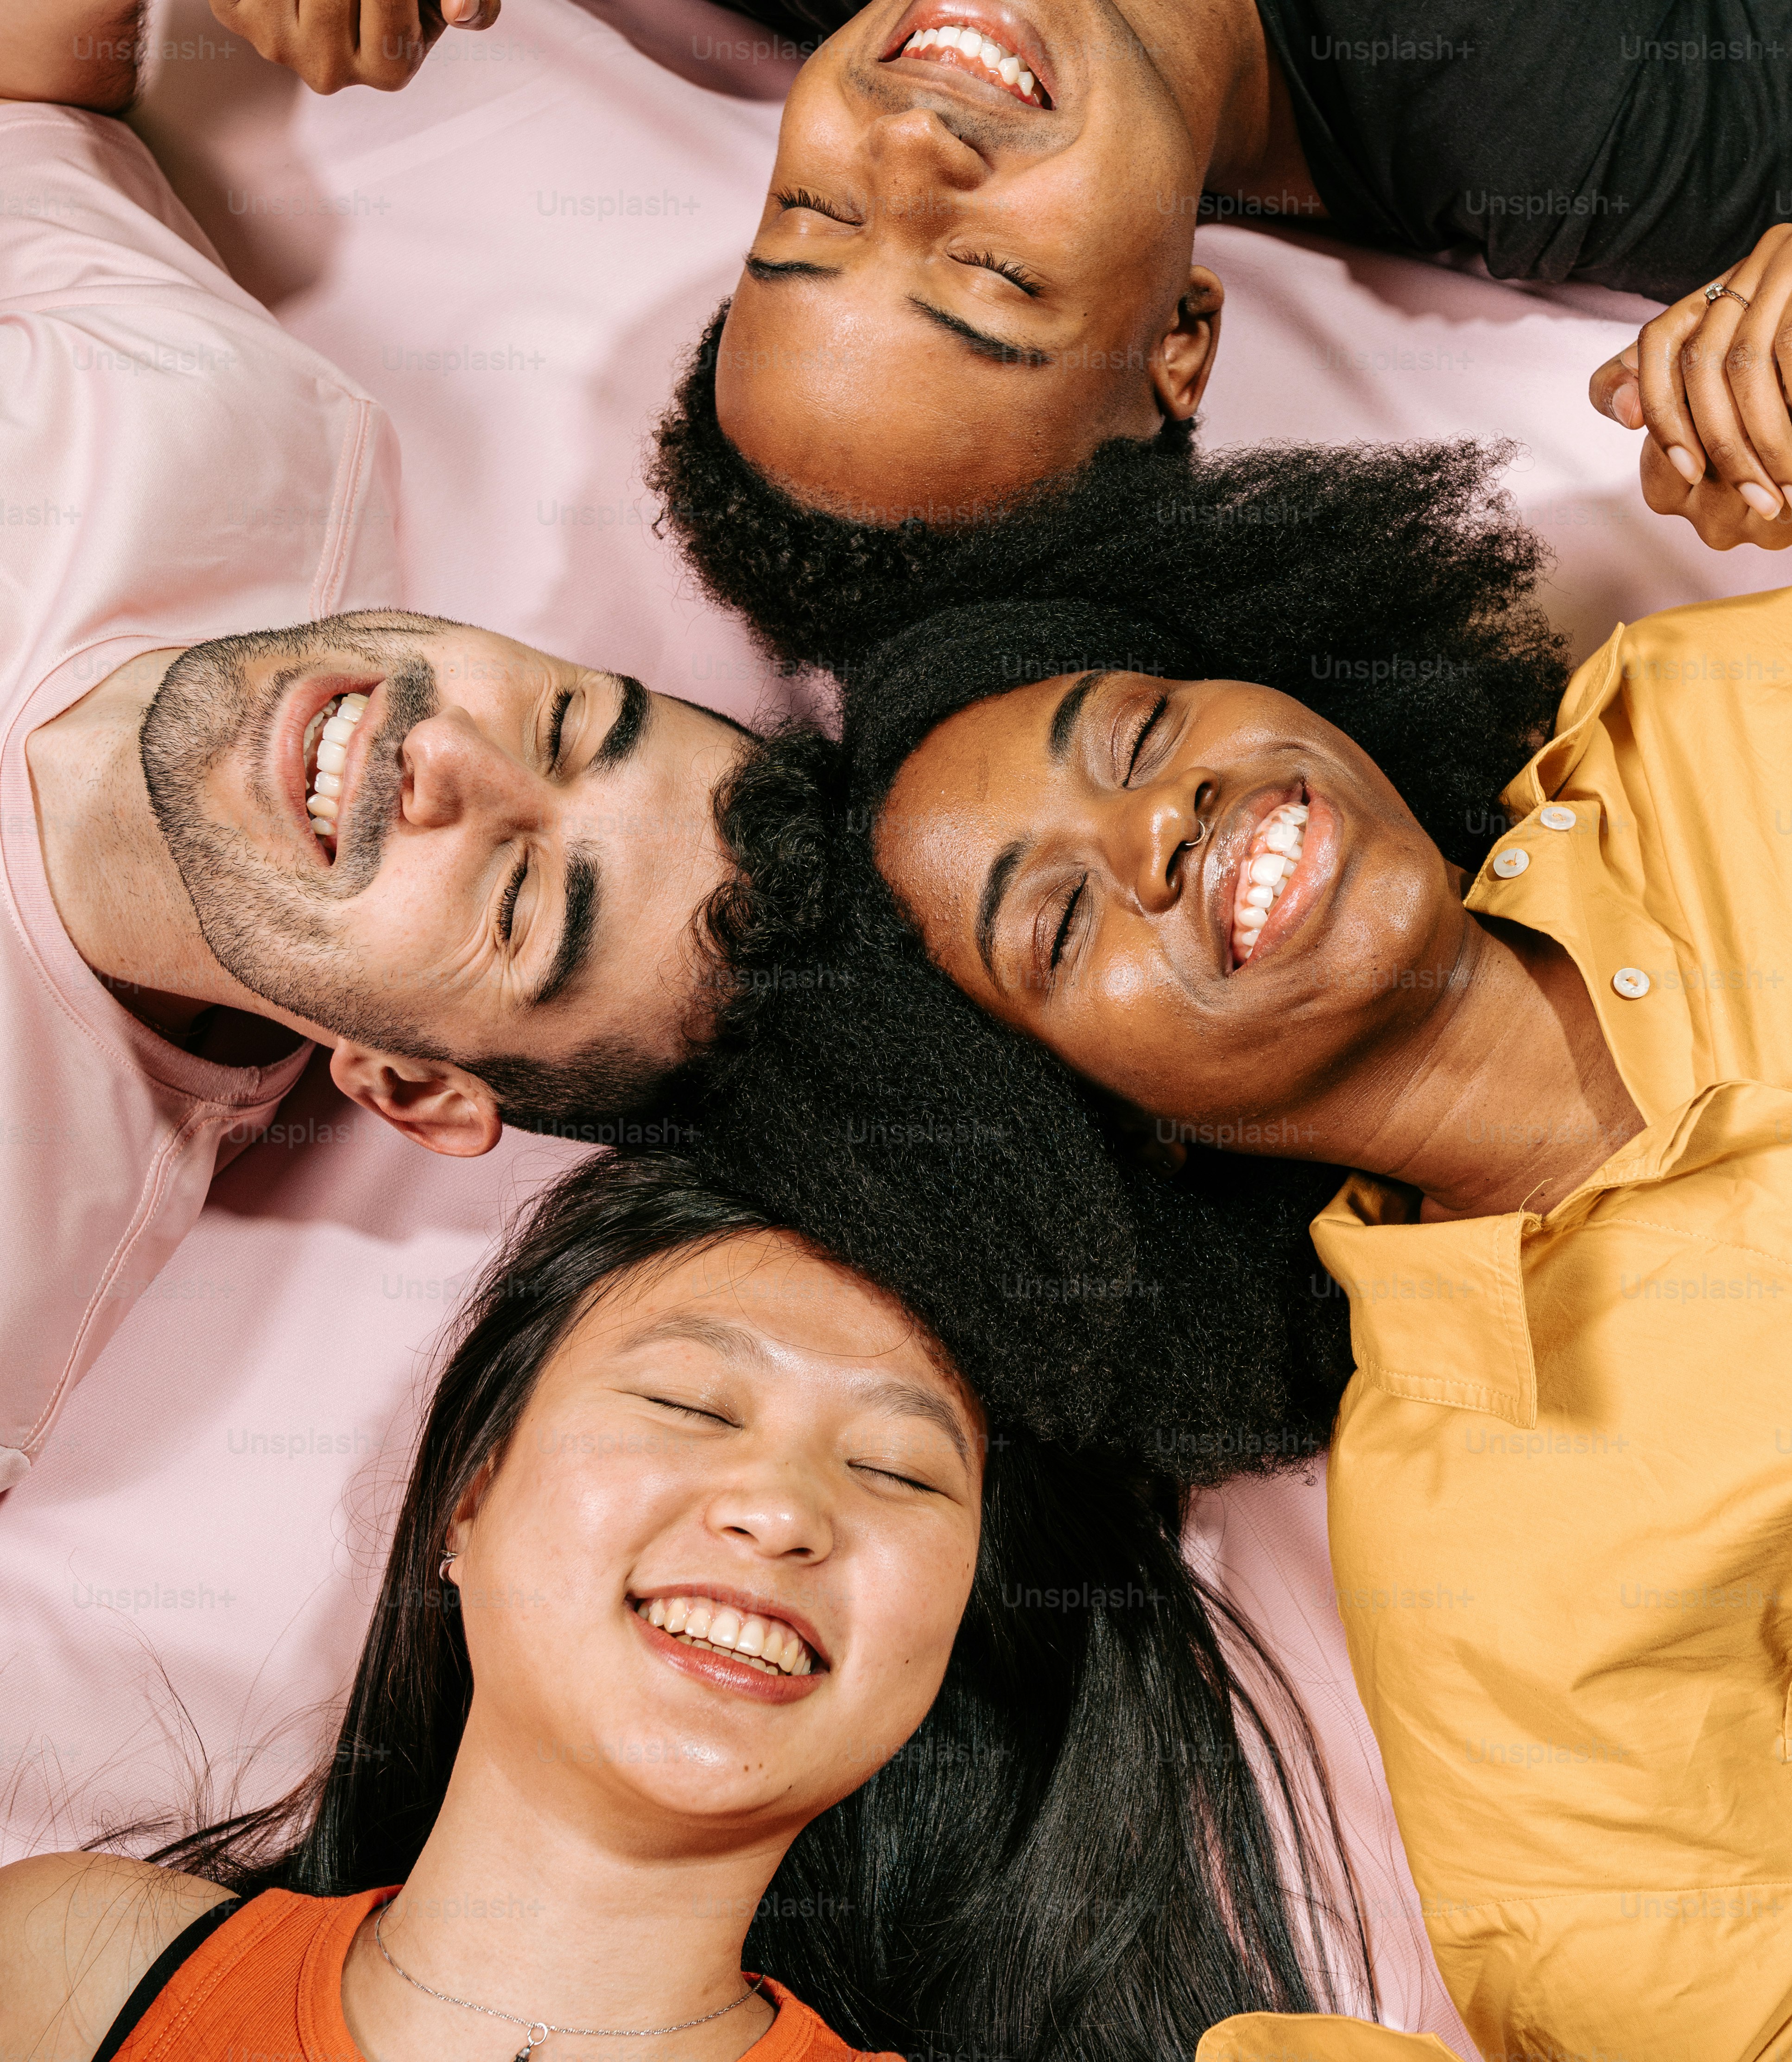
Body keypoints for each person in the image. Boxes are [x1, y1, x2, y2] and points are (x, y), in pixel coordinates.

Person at [666, 438, 1792, 2057]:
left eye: (1132, 730)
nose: (1158, 828)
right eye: (1057, 926)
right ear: (1112, 1131)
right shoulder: (1474, 1578)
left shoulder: (1704, 719)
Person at [0, 1150, 1383, 2062]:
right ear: (467, 1501)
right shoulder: (65, 1975)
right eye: (685, 1403)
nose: (780, 1510)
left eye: (897, 1469)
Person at [0, 11, 753, 1486]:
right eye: (555, 720)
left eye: (516, 897)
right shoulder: (238, 433)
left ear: (407, 1084)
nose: (447, 761)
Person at [645, 0, 1792, 614]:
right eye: (992, 274)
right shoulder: (1586, 126)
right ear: (1180, 337)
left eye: (814, 211)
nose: (907, 146)